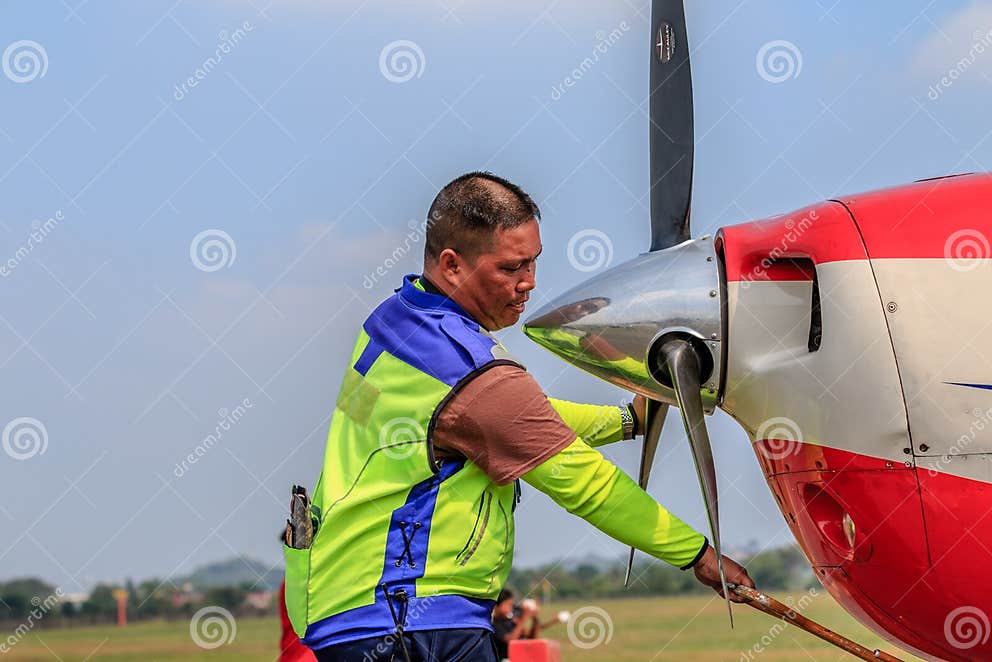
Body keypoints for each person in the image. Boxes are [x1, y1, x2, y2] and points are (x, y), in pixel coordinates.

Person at [283, 172, 755, 662]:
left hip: (351, 613)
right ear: (451, 264)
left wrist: (625, 421)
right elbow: (583, 481)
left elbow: (521, 420)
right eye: (511, 267)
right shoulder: (464, 366)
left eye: (534, 262)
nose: (529, 282)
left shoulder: (396, 323)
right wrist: (697, 553)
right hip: (411, 619)